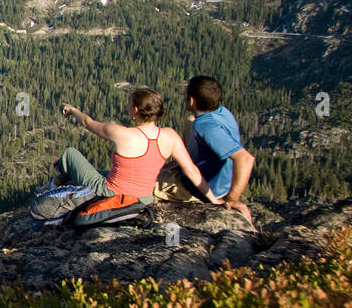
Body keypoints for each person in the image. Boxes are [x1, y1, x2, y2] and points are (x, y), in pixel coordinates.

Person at [55, 87, 222, 205]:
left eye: (129, 105)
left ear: (135, 110)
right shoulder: (170, 136)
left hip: (111, 194)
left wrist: (72, 109)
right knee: (99, 172)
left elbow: (87, 122)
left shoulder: (122, 133)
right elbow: (191, 170)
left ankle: (52, 189)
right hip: (144, 198)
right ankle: (63, 185)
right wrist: (213, 199)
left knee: (70, 154)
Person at [153, 75, 255, 226]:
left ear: (192, 101)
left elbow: (245, 158)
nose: (184, 97)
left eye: (186, 95)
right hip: (219, 177)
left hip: (204, 187)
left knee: (140, 183)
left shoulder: (206, 127)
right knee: (190, 121)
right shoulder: (221, 112)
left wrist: (233, 198)